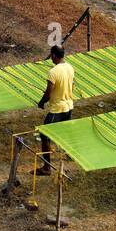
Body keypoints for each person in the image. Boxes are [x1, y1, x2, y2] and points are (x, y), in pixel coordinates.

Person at [36, 45, 75, 175]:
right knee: (65, 131)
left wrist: (41, 103)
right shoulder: (70, 67)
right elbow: (72, 85)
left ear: (53, 55)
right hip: (69, 105)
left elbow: (48, 93)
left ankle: (47, 168)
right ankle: (69, 154)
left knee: (45, 135)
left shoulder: (53, 72)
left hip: (57, 109)